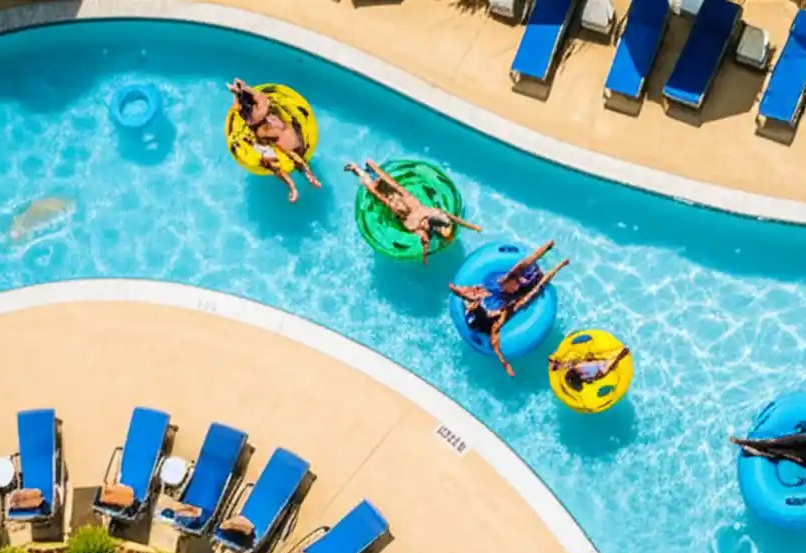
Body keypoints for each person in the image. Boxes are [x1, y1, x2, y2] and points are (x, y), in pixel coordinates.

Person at [448, 240, 569, 377]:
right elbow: (528, 263)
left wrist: (553, 259)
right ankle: (463, 294)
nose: (518, 282)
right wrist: (549, 253)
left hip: (492, 307)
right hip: (504, 301)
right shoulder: (503, 300)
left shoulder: (499, 301)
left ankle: (547, 250)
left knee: (503, 282)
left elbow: (469, 293)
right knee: (523, 291)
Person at [344, 159, 481, 264]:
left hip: (394, 205)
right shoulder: (430, 213)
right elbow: (452, 218)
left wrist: (425, 256)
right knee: (382, 180)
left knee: (375, 190)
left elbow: (425, 241)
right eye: (443, 229)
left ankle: (357, 169)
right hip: (401, 195)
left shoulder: (423, 230)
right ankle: (367, 169)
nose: (441, 230)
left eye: (442, 232)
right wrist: (471, 226)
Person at [228, 79, 322, 203]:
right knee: (292, 155)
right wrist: (242, 87)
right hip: (282, 131)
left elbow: (237, 104)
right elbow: (248, 90)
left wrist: (235, 92)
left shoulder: (244, 114)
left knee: (272, 165)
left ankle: (292, 187)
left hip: (267, 138)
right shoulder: (262, 101)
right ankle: (309, 175)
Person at [549, 346, 631, 392]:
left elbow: (572, 365)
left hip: (594, 365)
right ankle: (559, 365)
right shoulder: (580, 369)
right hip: (596, 366)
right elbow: (606, 369)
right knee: (605, 368)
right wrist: (620, 356)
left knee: (574, 364)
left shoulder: (577, 368)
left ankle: (559, 365)